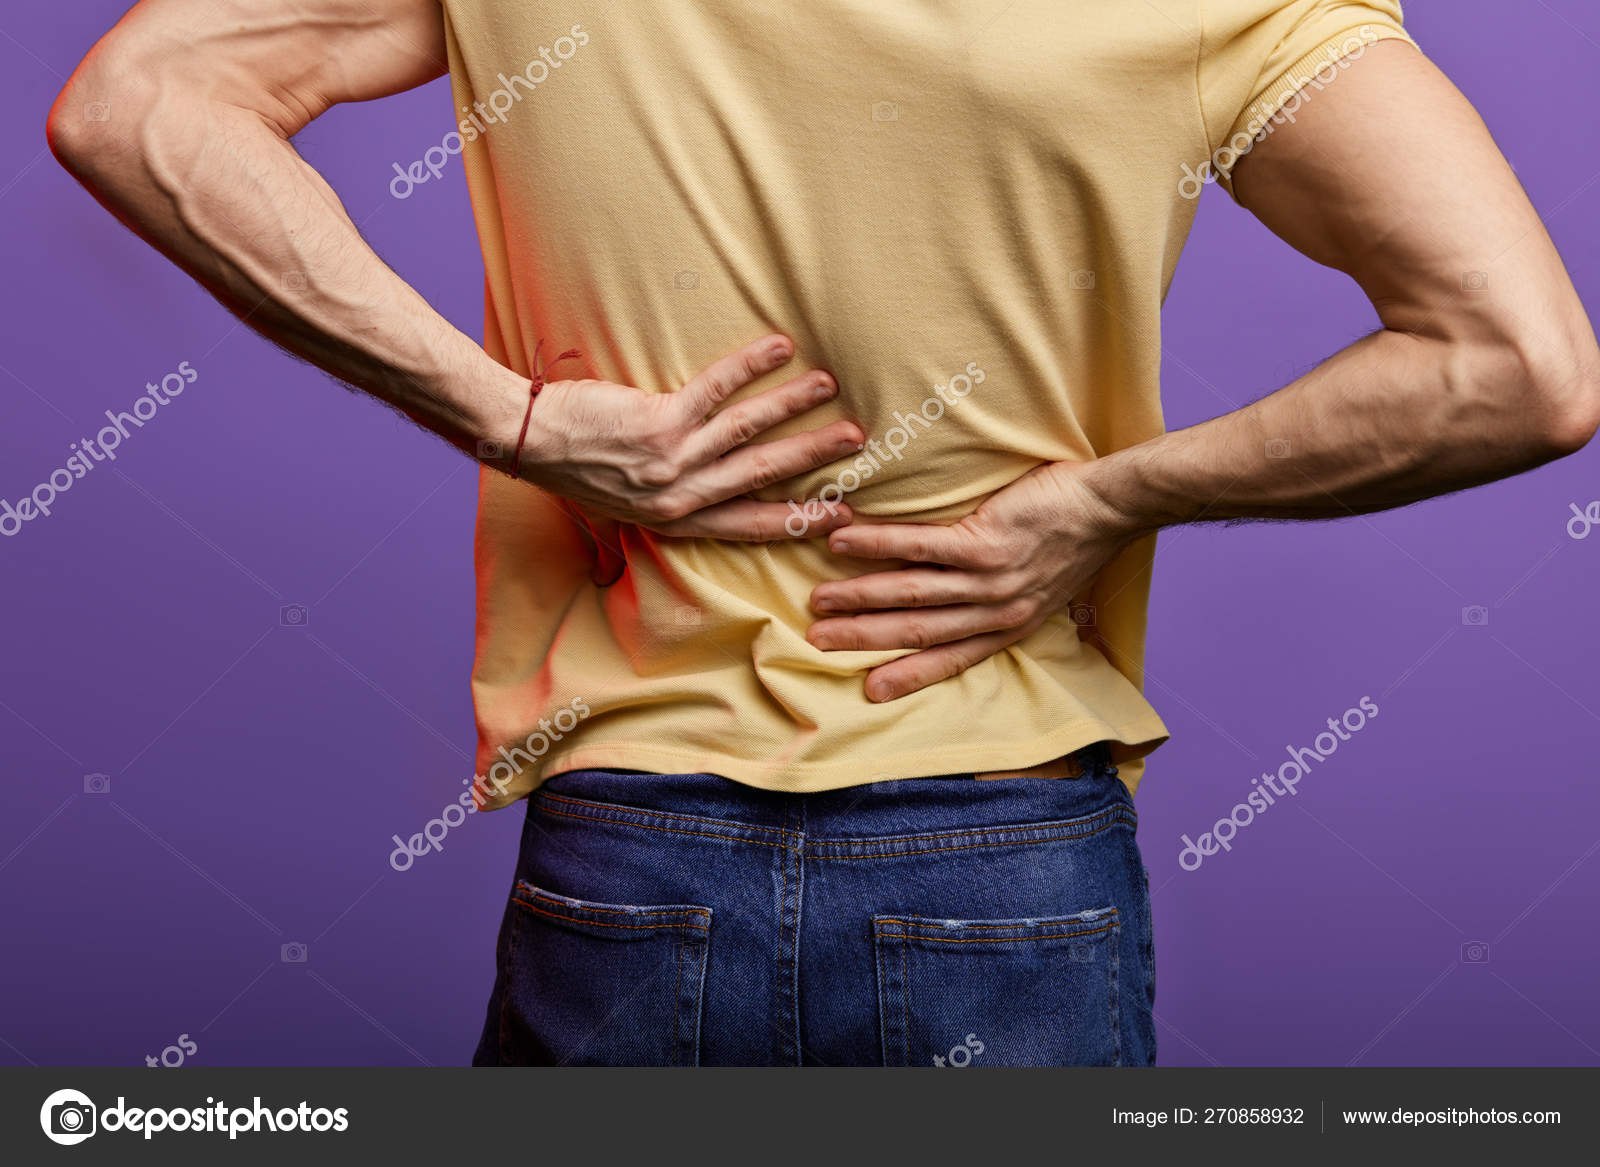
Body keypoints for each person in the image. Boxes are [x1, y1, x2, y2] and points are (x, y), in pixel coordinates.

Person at [49, 0, 1599, 1066]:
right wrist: (1107, 498)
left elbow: (134, 104)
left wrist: (512, 416)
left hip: (635, 838)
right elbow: (1518, 368)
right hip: (1001, 847)